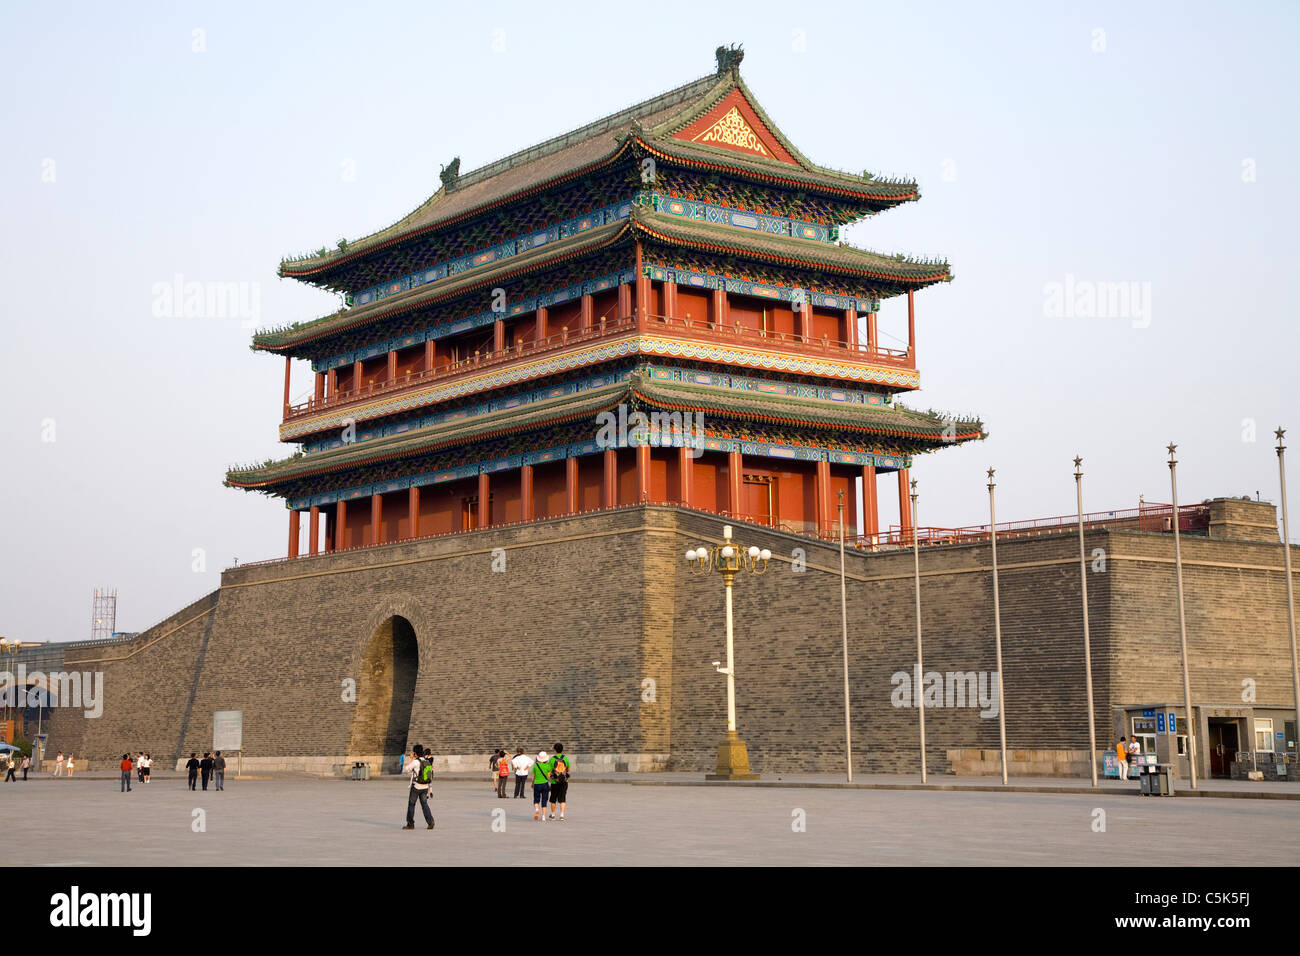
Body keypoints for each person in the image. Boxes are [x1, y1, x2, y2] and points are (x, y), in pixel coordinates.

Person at [402, 744, 435, 830]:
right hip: (425, 787)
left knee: (411, 805)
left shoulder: (416, 762)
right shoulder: (426, 761)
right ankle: (430, 822)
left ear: (415, 753)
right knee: (424, 804)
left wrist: (410, 758)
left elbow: (406, 769)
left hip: (416, 787)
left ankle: (410, 824)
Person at [531, 750, 556, 822]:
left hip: (537, 784)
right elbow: (549, 776)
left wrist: (532, 783)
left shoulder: (536, 765)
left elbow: (533, 776)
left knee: (536, 799)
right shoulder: (548, 766)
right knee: (544, 800)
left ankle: (536, 809)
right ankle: (543, 817)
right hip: (545, 784)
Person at [549, 744, 571, 821]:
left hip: (554, 781)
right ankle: (562, 815)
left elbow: (550, 770)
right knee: (562, 798)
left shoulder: (552, 759)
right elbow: (568, 769)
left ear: (555, 750)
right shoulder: (565, 758)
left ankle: (553, 814)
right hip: (564, 781)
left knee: (553, 798)